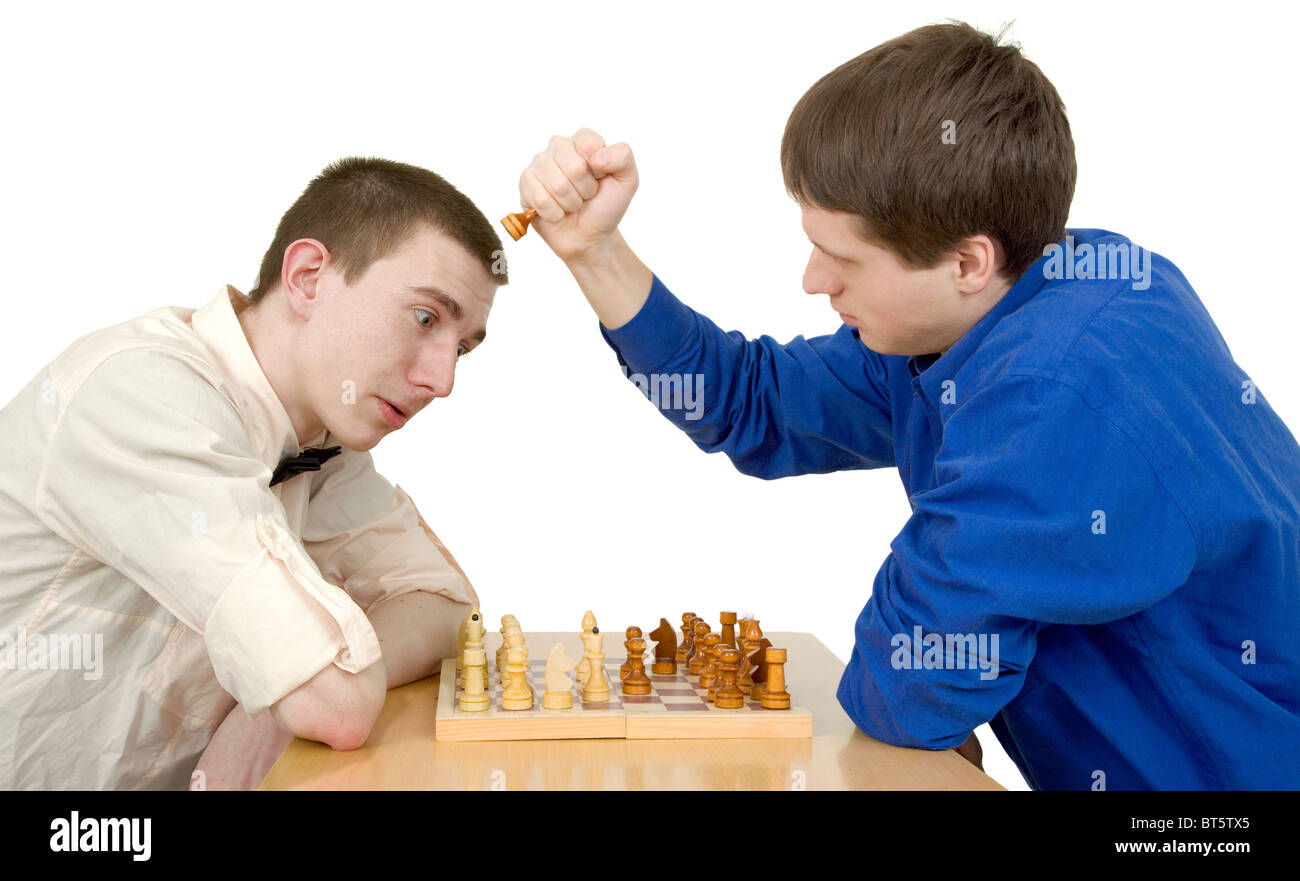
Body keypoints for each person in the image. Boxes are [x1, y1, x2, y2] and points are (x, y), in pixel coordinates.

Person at [513, 22, 1300, 789]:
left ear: (966, 260)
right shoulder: (990, 305)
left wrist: (930, 700)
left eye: (842, 255)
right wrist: (594, 249)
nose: (813, 279)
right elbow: (754, 403)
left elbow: (909, 678)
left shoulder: (1060, 386)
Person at [0, 156, 504, 789]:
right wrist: (309, 686)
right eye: (426, 318)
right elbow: (337, 705)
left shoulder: (318, 445)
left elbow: (447, 607)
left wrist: (266, 714)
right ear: (309, 277)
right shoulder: (140, 394)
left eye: (462, 346)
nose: (443, 379)